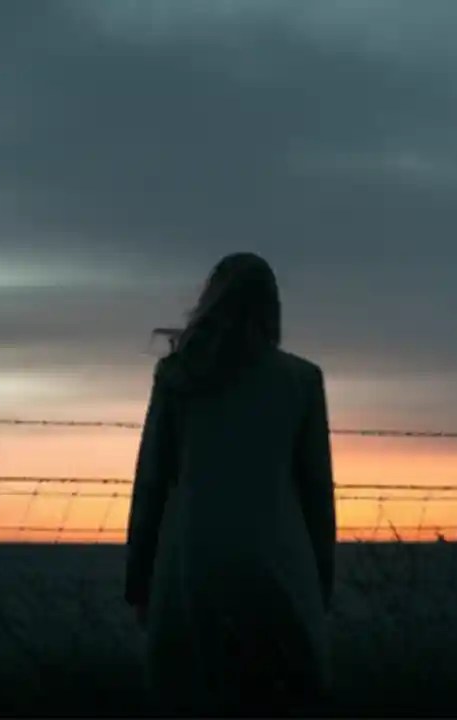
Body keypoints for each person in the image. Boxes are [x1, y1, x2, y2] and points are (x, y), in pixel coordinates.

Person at [124, 252, 336, 715]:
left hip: (190, 563)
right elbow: (317, 493)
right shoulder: (301, 381)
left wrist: (139, 583)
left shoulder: (179, 376)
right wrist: (320, 584)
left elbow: (151, 483)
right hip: (277, 566)